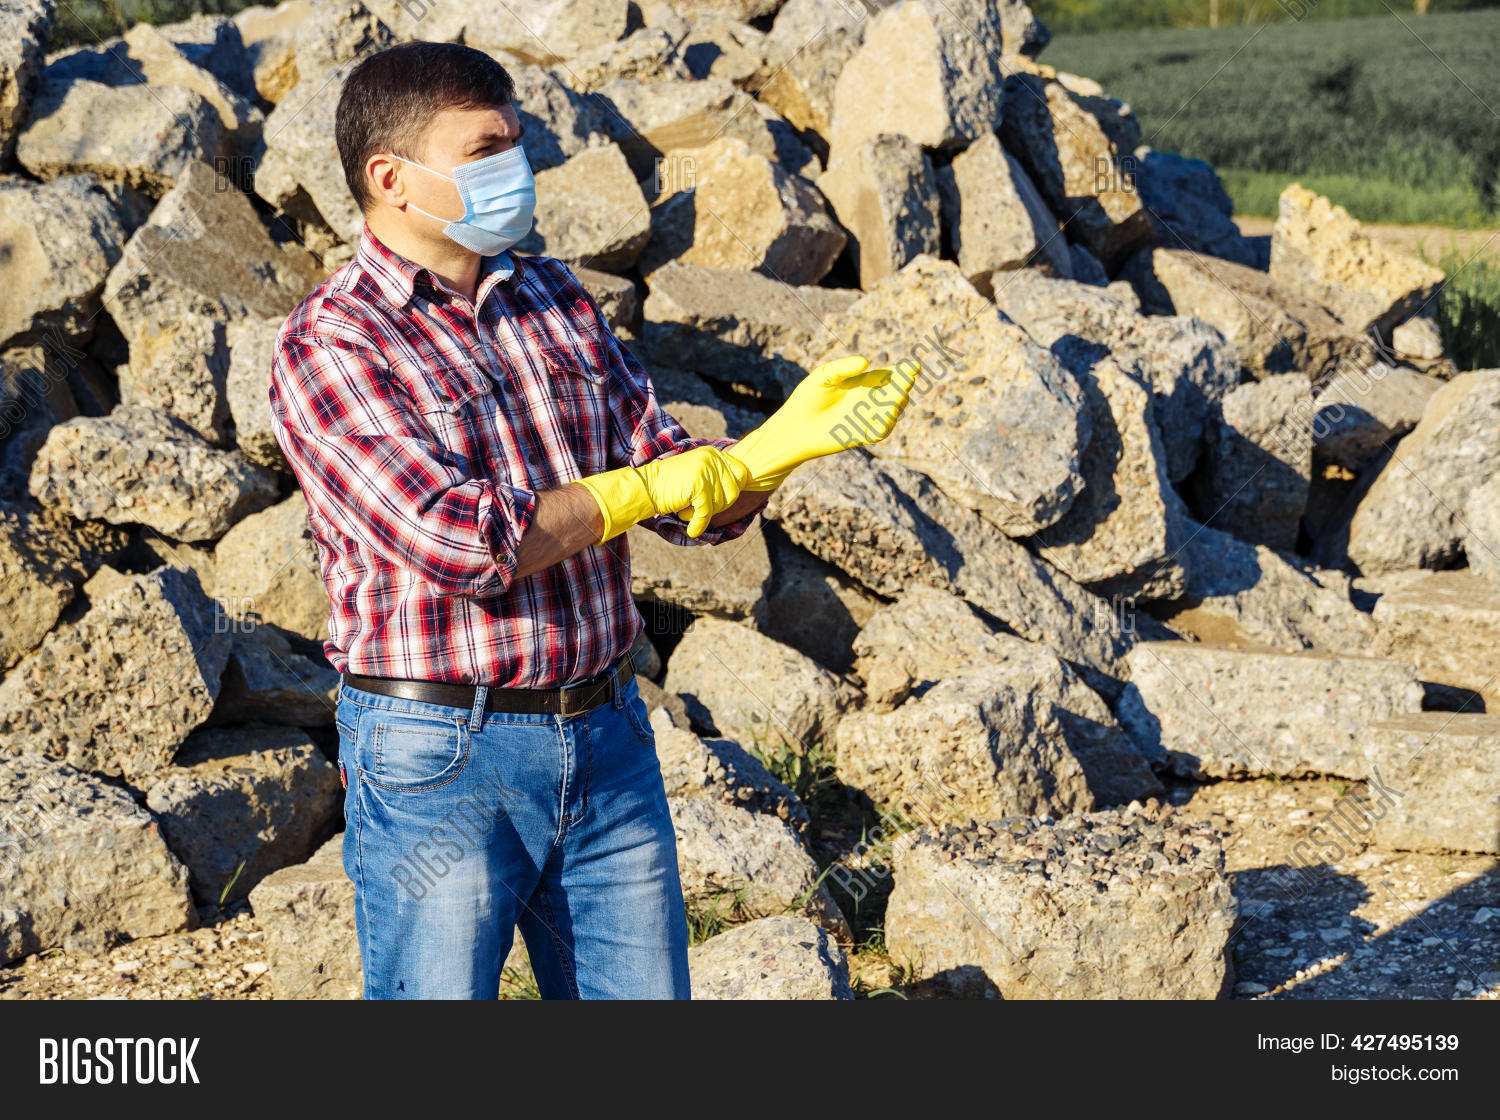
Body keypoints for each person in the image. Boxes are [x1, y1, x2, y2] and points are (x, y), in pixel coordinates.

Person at [268, 40, 915, 1000]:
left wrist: (772, 453)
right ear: (391, 178)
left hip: (607, 733)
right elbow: (460, 541)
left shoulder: (555, 297)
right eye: (487, 148)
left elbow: (681, 490)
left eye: (517, 143)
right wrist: (643, 491)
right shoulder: (335, 342)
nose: (514, 168)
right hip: (445, 755)